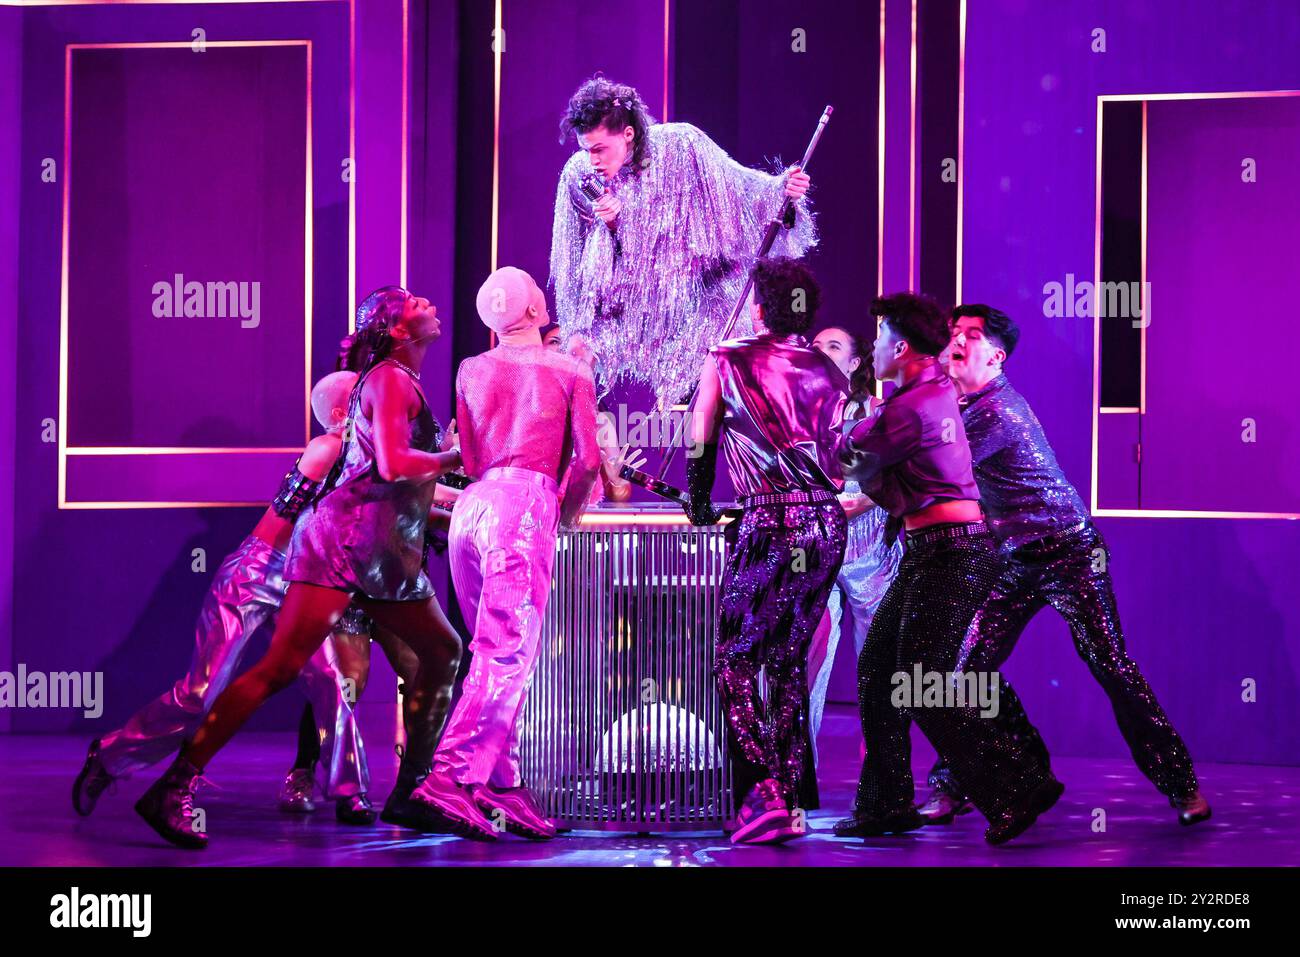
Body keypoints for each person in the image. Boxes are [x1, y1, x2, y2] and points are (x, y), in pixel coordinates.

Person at [132, 287, 465, 849]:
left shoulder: (398, 380)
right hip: (343, 545)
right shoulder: (387, 377)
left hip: (384, 551)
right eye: (411, 302)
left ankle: (411, 793)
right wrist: (460, 456)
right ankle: (173, 786)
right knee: (281, 668)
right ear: (400, 331)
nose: (427, 300)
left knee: (441, 651)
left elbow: (386, 476)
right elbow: (393, 464)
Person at [916, 304, 1210, 827]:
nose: (957, 341)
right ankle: (960, 780)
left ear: (997, 357)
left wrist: (862, 489)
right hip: (1014, 557)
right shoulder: (952, 405)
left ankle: (1181, 783)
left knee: (1110, 666)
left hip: (1069, 553)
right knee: (963, 672)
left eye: (973, 336)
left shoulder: (996, 411)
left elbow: (933, 471)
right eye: (954, 333)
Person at [72, 372, 374, 826]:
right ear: (339, 414)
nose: (374, 398)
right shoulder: (326, 448)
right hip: (255, 574)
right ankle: (111, 754)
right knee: (200, 692)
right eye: (362, 394)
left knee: (332, 681)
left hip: (301, 584)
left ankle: (350, 791)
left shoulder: (366, 455)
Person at [834, 293, 1061, 846]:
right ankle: (886, 804)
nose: (872, 351)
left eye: (880, 339)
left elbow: (849, 461)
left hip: (954, 553)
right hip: (929, 550)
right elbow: (876, 479)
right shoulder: (922, 393)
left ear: (901, 345)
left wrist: (830, 421)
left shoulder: (913, 405)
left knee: (918, 684)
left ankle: (1019, 786)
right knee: (878, 671)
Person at [411, 267, 600, 841]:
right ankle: (450, 777)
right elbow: (589, 462)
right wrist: (563, 515)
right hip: (524, 508)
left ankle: (503, 782)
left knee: (491, 653)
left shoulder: (471, 368)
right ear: (538, 311)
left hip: (474, 507)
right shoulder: (571, 370)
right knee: (506, 654)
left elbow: (467, 456)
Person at [686, 257, 848, 845]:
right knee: (784, 661)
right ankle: (794, 798)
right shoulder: (830, 372)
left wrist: (699, 503)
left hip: (772, 520)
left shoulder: (727, 358)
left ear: (759, 306)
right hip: (827, 525)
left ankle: (761, 790)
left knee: (732, 658)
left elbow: (700, 435)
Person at [551, 74, 815, 406]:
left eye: (600, 149)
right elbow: (572, 263)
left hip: (696, 300)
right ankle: (588, 449)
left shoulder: (682, 145)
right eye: (586, 150)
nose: (593, 160)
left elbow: (740, 187)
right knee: (579, 356)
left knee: (711, 382)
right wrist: (612, 228)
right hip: (624, 310)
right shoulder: (579, 174)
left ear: (628, 133)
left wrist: (782, 190)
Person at [804, 327, 903, 783]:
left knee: (879, 666)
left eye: (835, 346)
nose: (821, 352)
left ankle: (881, 783)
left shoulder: (878, 413)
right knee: (808, 659)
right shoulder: (798, 411)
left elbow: (899, 476)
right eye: (817, 345)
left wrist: (866, 497)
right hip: (818, 545)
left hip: (870, 551)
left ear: (856, 362)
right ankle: (797, 779)